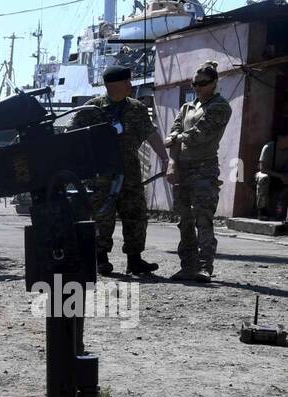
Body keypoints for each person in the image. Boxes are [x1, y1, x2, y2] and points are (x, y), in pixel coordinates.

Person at [70, 65, 169, 276]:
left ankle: (135, 261)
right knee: (101, 217)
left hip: (130, 173)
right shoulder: (91, 109)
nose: (130, 86)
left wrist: (164, 157)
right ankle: (100, 260)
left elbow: (150, 134)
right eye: (127, 83)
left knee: (136, 215)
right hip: (100, 175)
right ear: (114, 86)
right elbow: (71, 136)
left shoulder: (136, 108)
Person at [165, 60, 232, 282]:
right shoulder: (187, 107)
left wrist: (176, 137)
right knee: (184, 220)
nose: (197, 87)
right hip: (183, 169)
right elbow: (173, 133)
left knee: (203, 219)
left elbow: (200, 134)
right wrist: (172, 163)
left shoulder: (220, 107)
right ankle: (188, 265)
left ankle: (204, 266)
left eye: (202, 83)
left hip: (204, 169)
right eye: (194, 83)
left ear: (214, 83)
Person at [255, 132, 288, 221]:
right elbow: (262, 169)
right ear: (281, 138)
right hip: (267, 173)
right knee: (263, 178)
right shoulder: (268, 148)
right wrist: (280, 176)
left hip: (280, 175)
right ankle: (262, 210)